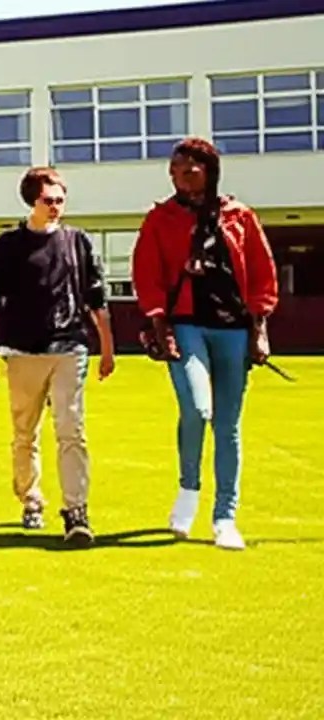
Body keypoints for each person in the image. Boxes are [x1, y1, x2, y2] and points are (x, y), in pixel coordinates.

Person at [131, 137, 278, 551]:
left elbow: (263, 275)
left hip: (234, 327)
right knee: (198, 408)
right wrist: (158, 323)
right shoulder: (160, 218)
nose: (180, 176)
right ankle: (188, 490)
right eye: (174, 170)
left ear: (209, 171)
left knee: (228, 426)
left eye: (189, 169)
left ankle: (225, 517)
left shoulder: (240, 216)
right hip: (185, 324)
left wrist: (259, 328)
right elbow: (147, 273)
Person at [0, 168, 115, 547]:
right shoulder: (8, 246)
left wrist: (107, 347)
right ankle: (31, 498)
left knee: (72, 429)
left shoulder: (78, 242)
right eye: (47, 200)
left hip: (69, 348)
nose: (55, 207)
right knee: (25, 433)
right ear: (31, 201)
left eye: (59, 200)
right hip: (22, 351)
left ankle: (77, 511)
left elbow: (97, 300)